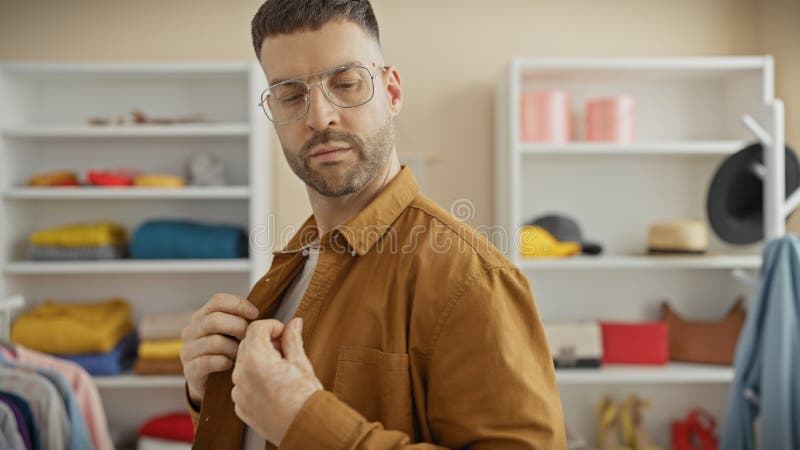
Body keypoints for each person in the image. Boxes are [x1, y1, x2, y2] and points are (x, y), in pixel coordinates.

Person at [180, 1, 566, 449]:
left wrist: (305, 422)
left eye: (345, 83)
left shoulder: (473, 279)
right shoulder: (293, 262)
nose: (319, 116)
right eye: (289, 94)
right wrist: (205, 386)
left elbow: (291, 422)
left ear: (393, 92)